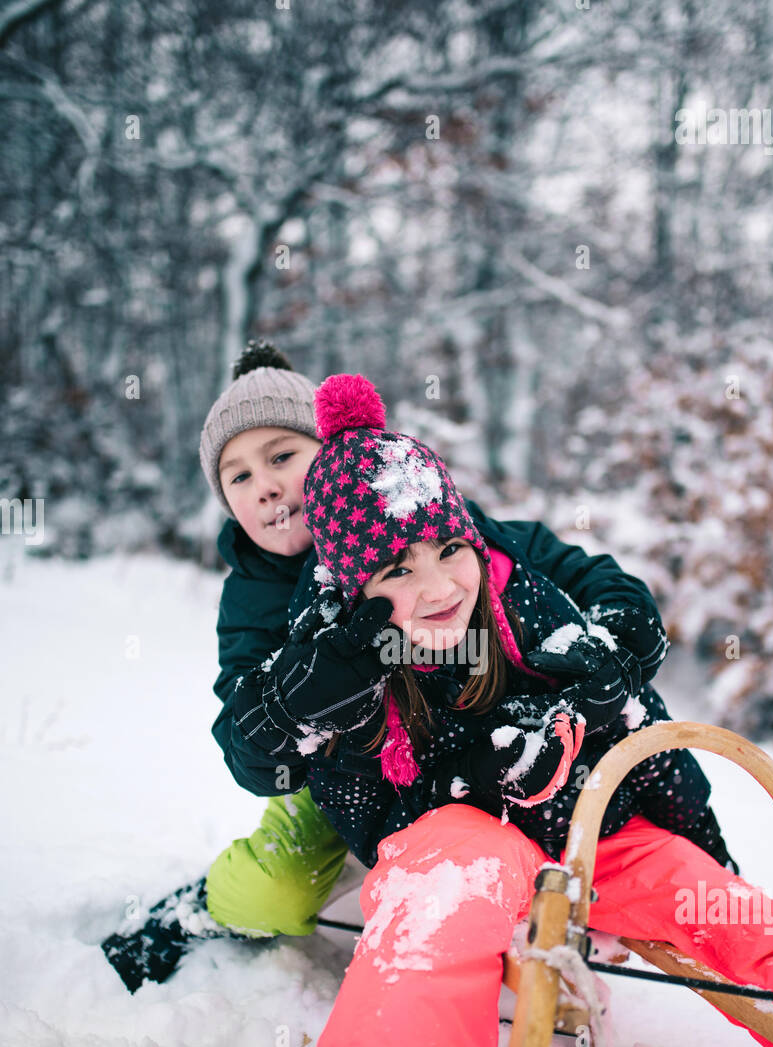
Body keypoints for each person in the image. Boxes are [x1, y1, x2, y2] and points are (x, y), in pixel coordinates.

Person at [226, 373, 773, 1047]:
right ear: (354, 591)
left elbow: (644, 742)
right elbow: (320, 781)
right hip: (461, 834)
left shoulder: (526, 596)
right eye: (394, 572)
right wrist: (326, 713)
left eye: (444, 551)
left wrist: (599, 702)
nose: (433, 587)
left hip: (595, 831)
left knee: (710, 903)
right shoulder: (347, 657)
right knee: (438, 903)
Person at [103, 340, 736, 990]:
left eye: (281, 456)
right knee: (282, 888)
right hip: (335, 770)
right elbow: (248, 746)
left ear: (330, 450)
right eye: (237, 476)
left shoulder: (422, 522)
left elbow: (568, 567)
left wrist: (619, 632)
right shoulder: (253, 594)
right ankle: (201, 910)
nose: (263, 485)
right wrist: (293, 706)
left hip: (445, 754)